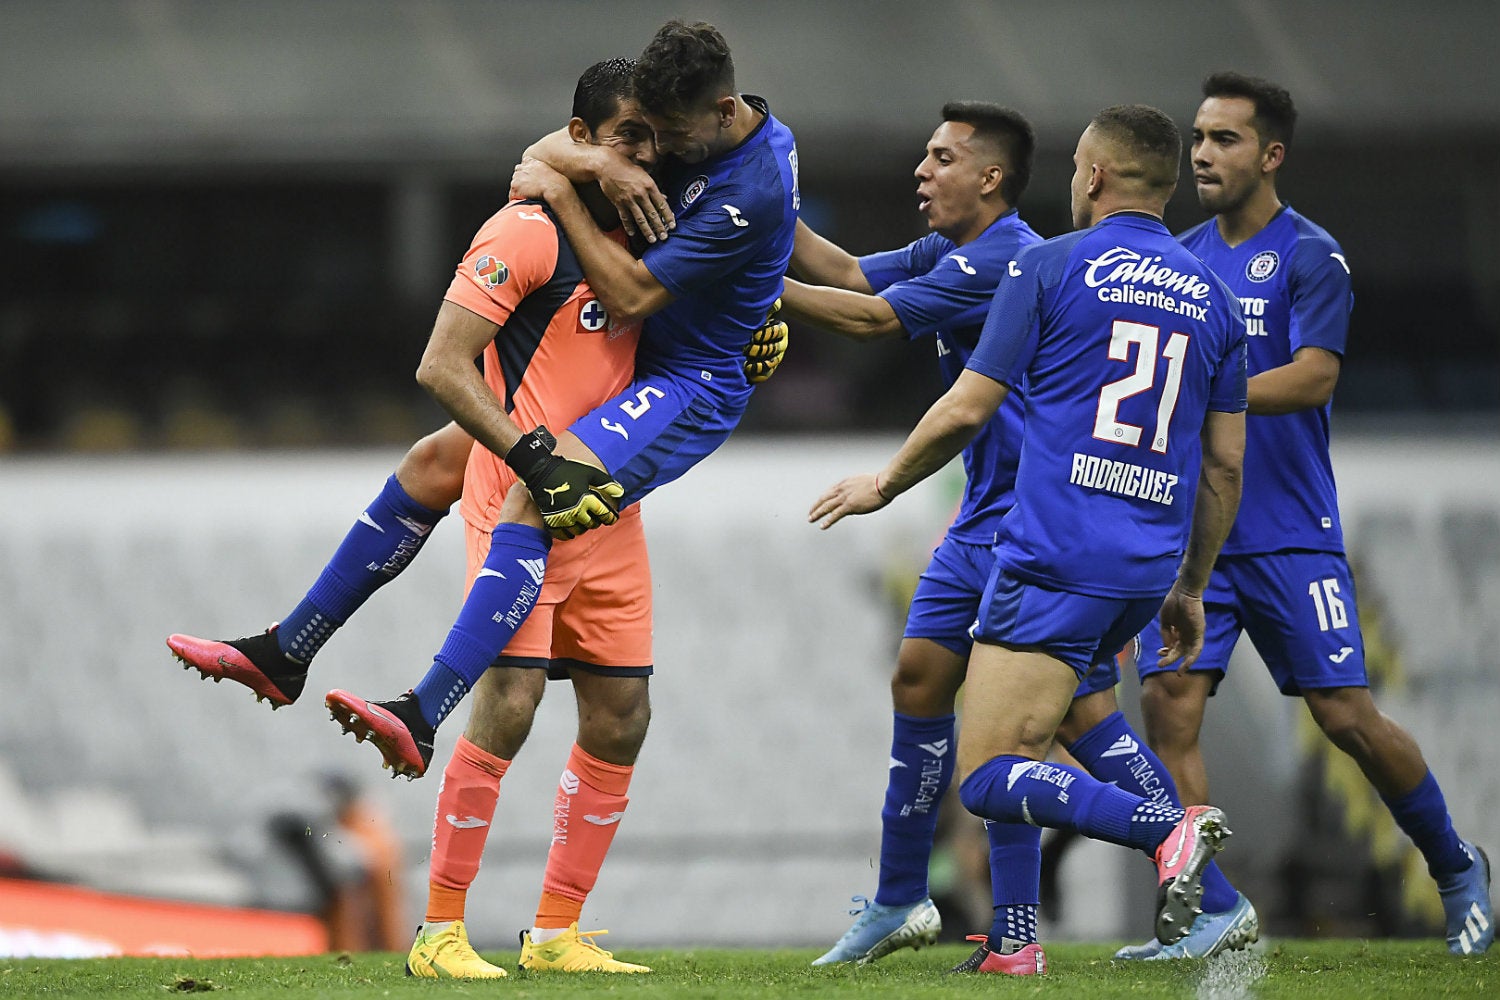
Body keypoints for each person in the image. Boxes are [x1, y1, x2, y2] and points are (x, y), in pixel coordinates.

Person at [168, 57, 779, 977]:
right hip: (533, 486)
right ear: (581, 141)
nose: (643, 157)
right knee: (512, 702)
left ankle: (557, 934)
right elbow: (443, 365)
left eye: (653, 138)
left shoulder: (653, 220)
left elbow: (713, 285)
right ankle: (441, 931)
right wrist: (529, 452)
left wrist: (764, 317)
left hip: (609, 492)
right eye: (625, 139)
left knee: (621, 713)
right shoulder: (525, 229)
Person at [790, 104, 1252, 974]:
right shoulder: (1213, 294)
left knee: (992, 768)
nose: (923, 171)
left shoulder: (1043, 264)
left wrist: (882, 484)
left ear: (1093, 176)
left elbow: (964, 401)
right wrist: (1191, 585)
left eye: (941, 157)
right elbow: (1225, 465)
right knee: (1043, 714)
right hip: (1142, 558)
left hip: (1044, 542)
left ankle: (1170, 835)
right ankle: (1014, 936)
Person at [322, 19, 799, 788]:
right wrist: (589, 168)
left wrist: (778, 312)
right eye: (640, 137)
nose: (659, 153)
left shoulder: (753, 184)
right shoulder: (699, 143)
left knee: (531, 500)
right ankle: (300, 652)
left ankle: (423, 710)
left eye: (669, 135)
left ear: (720, 110)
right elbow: (539, 155)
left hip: (687, 386)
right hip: (652, 368)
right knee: (441, 459)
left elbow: (639, 290)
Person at [1120, 71, 1494, 958]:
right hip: (1192, 541)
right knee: (1170, 710)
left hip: (1290, 535)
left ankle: (1455, 864)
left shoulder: (1309, 256)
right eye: (1198, 138)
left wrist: (1213, 388)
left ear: (1271, 154)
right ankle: (1206, 909)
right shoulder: (1176, 255)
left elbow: (1318, 375)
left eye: (1224, 140)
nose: (1203, 154)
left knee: (1346, 718)